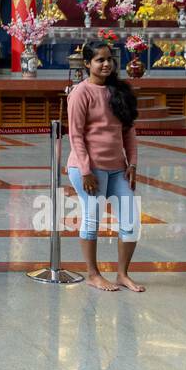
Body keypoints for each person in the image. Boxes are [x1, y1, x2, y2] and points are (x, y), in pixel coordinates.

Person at [66, 40, 143, 292]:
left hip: (117, 168)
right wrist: (86, 170)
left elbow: (129, 130)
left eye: (109, 59)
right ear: (87, 64)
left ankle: (123, 274)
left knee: (130, 220)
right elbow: (75, 134)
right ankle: (93, 274)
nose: (106, 63)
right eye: (99, 60)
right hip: (88, 168)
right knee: (92, 219)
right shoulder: (80, 93)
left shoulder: (119, 91)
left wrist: (132, 163)